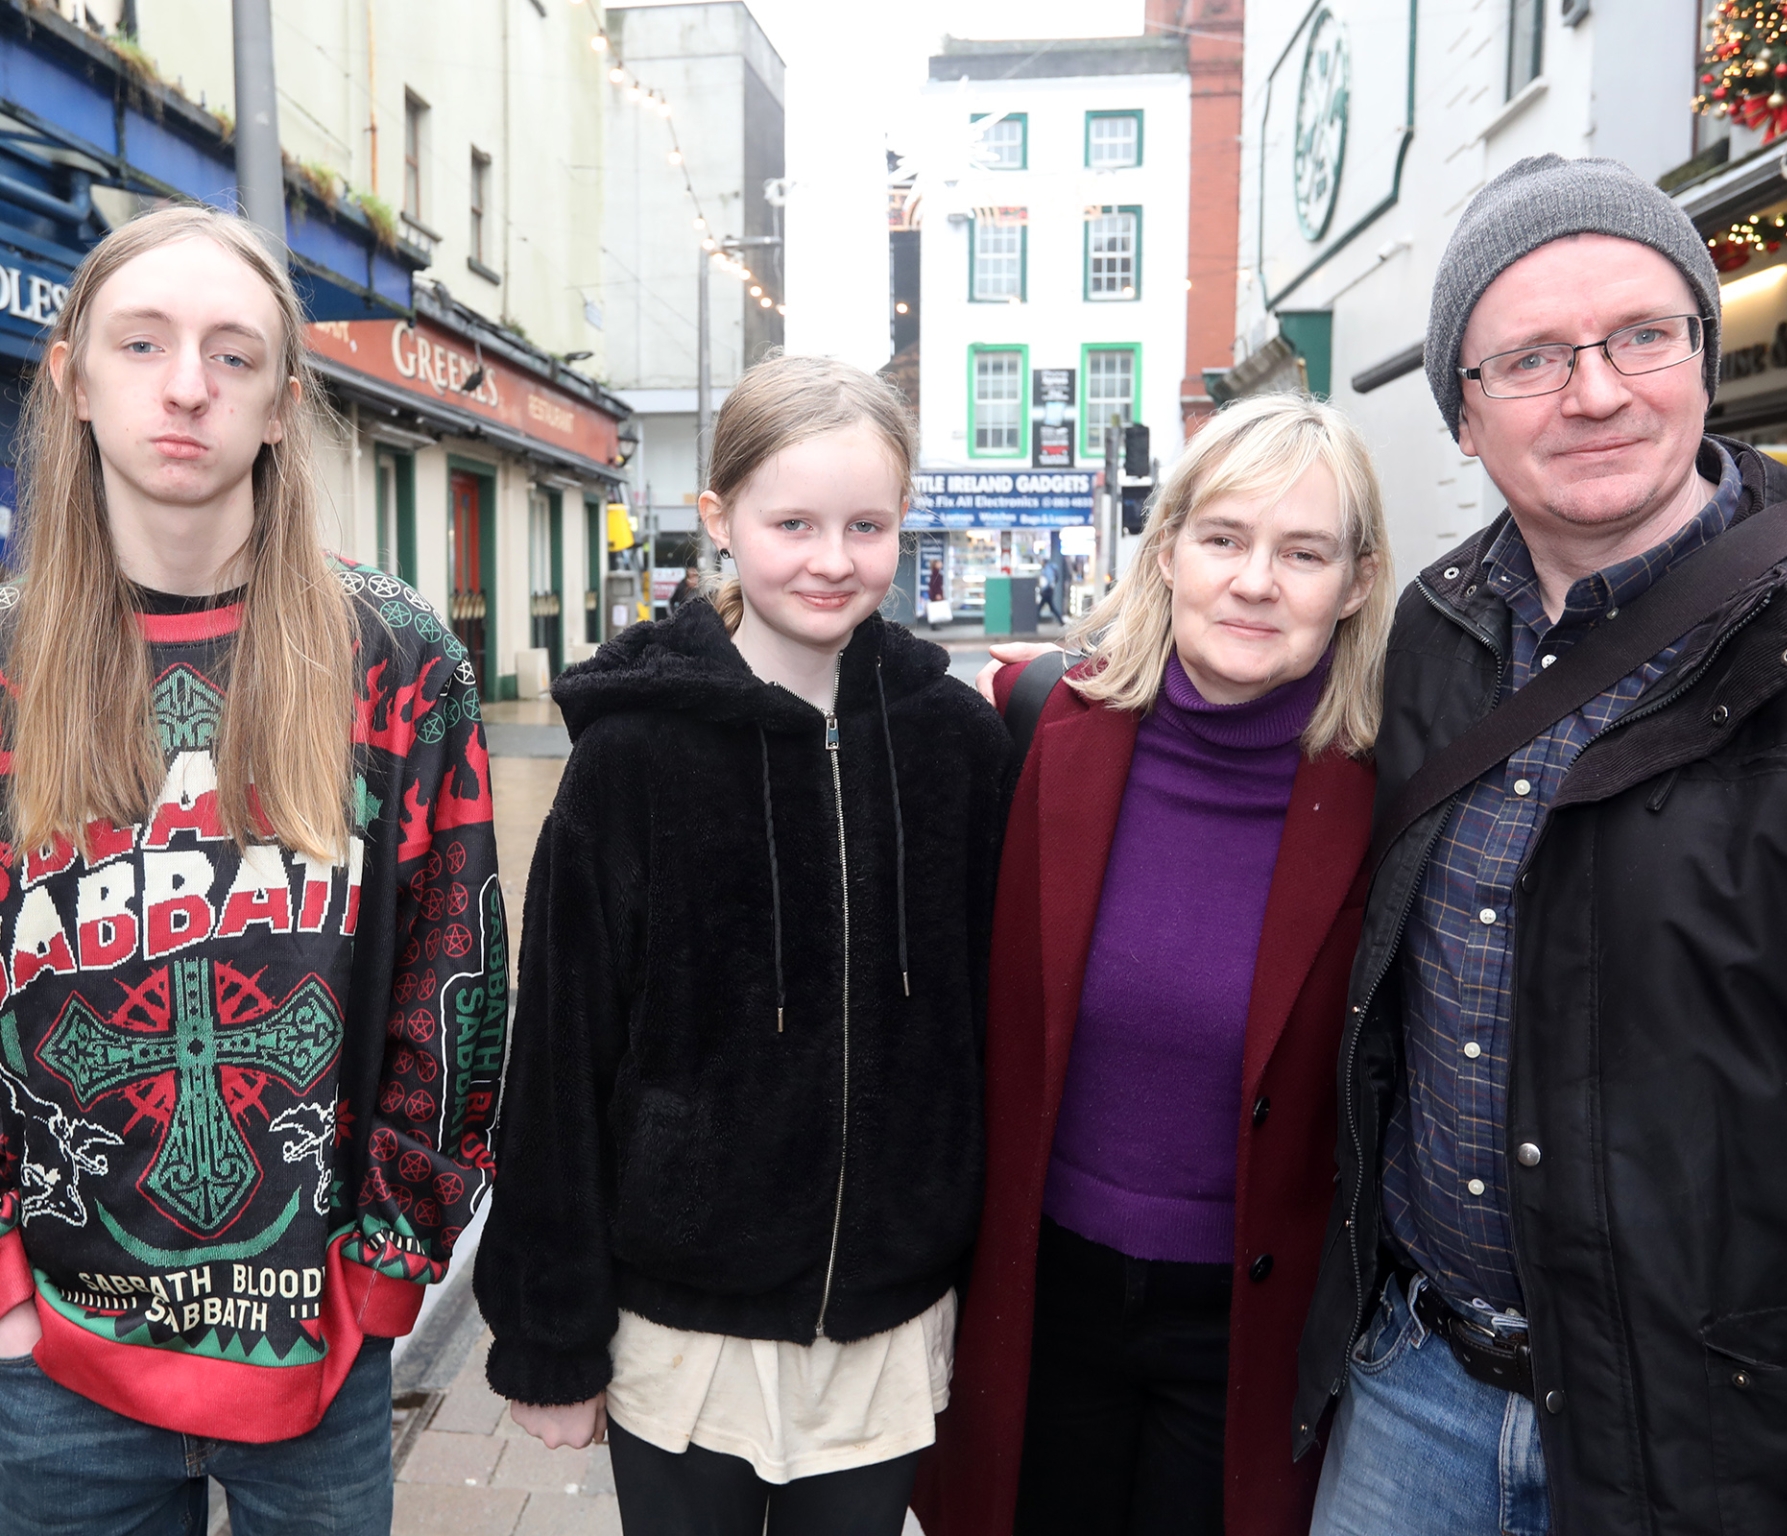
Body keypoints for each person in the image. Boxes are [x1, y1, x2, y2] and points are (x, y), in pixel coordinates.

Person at [1297, 154, 1787, 1535]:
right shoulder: (1437, 638)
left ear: (1703, 353)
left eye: (1641, 334)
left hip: (1728, 1451)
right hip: (1418, 1393)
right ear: (1463, 415)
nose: (1594, 391)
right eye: (1527, 357)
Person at [0, 206, 503, 1534]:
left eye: (232, 358)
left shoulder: (394, 657)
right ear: (73, 375)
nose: (185, 386)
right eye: (144, 341)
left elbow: (453, 979)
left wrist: (393, 1259)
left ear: (281, 407)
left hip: (318, 1356)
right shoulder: (8, 662)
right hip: (47, 1361)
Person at [475, 354, 1011, 1536]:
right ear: (717, 519)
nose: (832, 558)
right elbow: (559, 1043)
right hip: (681, 1328)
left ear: (904, 519)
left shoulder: (954, 747)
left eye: (866, 524)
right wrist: (549, 1329)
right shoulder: (632, 760)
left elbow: (996, 1021)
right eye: (793, 522)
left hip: (889, 1315)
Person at [920, 394, 1391, 1536]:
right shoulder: (1042, 734)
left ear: (1357, 583)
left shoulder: (1392, 794)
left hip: (1247, 1327)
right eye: (1224, 538)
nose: (1256, 581)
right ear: (1169, 548)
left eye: (1304, 552)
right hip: (1042, 1301)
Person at [1037, 555, 1065, 626]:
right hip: (1049, 591)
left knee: (1040, 607)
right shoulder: (1049, 568)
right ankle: (1061, 622)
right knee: (1051, 608)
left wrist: (1043, 589)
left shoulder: (1048, 569)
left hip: (1047, 591)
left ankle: (1034, 622)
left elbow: (1049, 581)